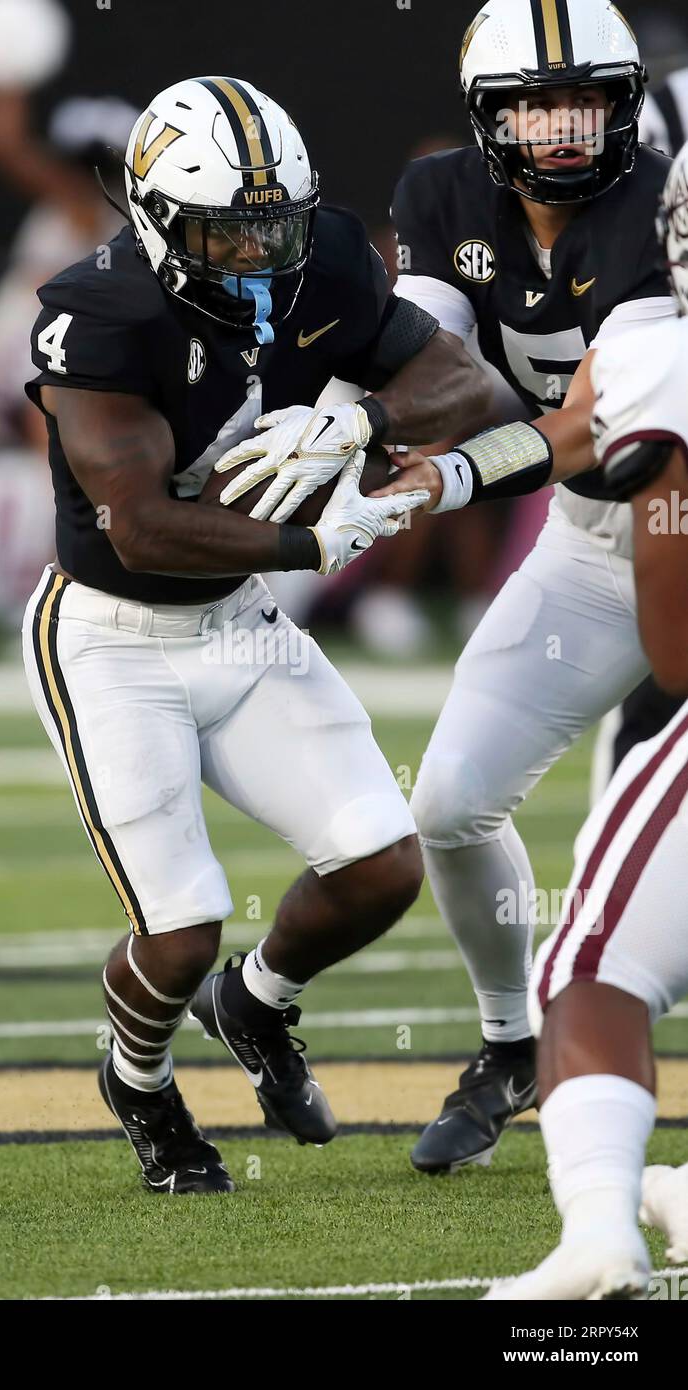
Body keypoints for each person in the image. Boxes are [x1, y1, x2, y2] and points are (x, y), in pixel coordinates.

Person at [22, 77, 488, 1194]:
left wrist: (360, 416)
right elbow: (136, 527)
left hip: (238, 625)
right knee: (176, 932)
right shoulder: (100, 315)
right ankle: (138, 1080)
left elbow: (461, 382)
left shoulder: (321, 258)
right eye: (228, 226)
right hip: (113, 640)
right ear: (154, 217)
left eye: (273, 221)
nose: (257, 249)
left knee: (380, 867)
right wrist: (313, 544)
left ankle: (260, 998)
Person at [366, 0, 678, 1172]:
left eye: (584, 98)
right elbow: (430, 363)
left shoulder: (656, 201)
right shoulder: (439, 197)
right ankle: (507, 1043)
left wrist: (442, 476)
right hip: (591, 554)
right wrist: (355, 419)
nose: (560, 127)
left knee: (644, 858)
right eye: (533, 104)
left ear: (622, 101)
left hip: (664, 522)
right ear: (486, 115)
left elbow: (592, 423)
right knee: (445, 801)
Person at [486, 140, 688, 1300]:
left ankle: (597, 1228)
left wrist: (662, 500)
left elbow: (671, 654)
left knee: (592, 969)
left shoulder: (656, 359)